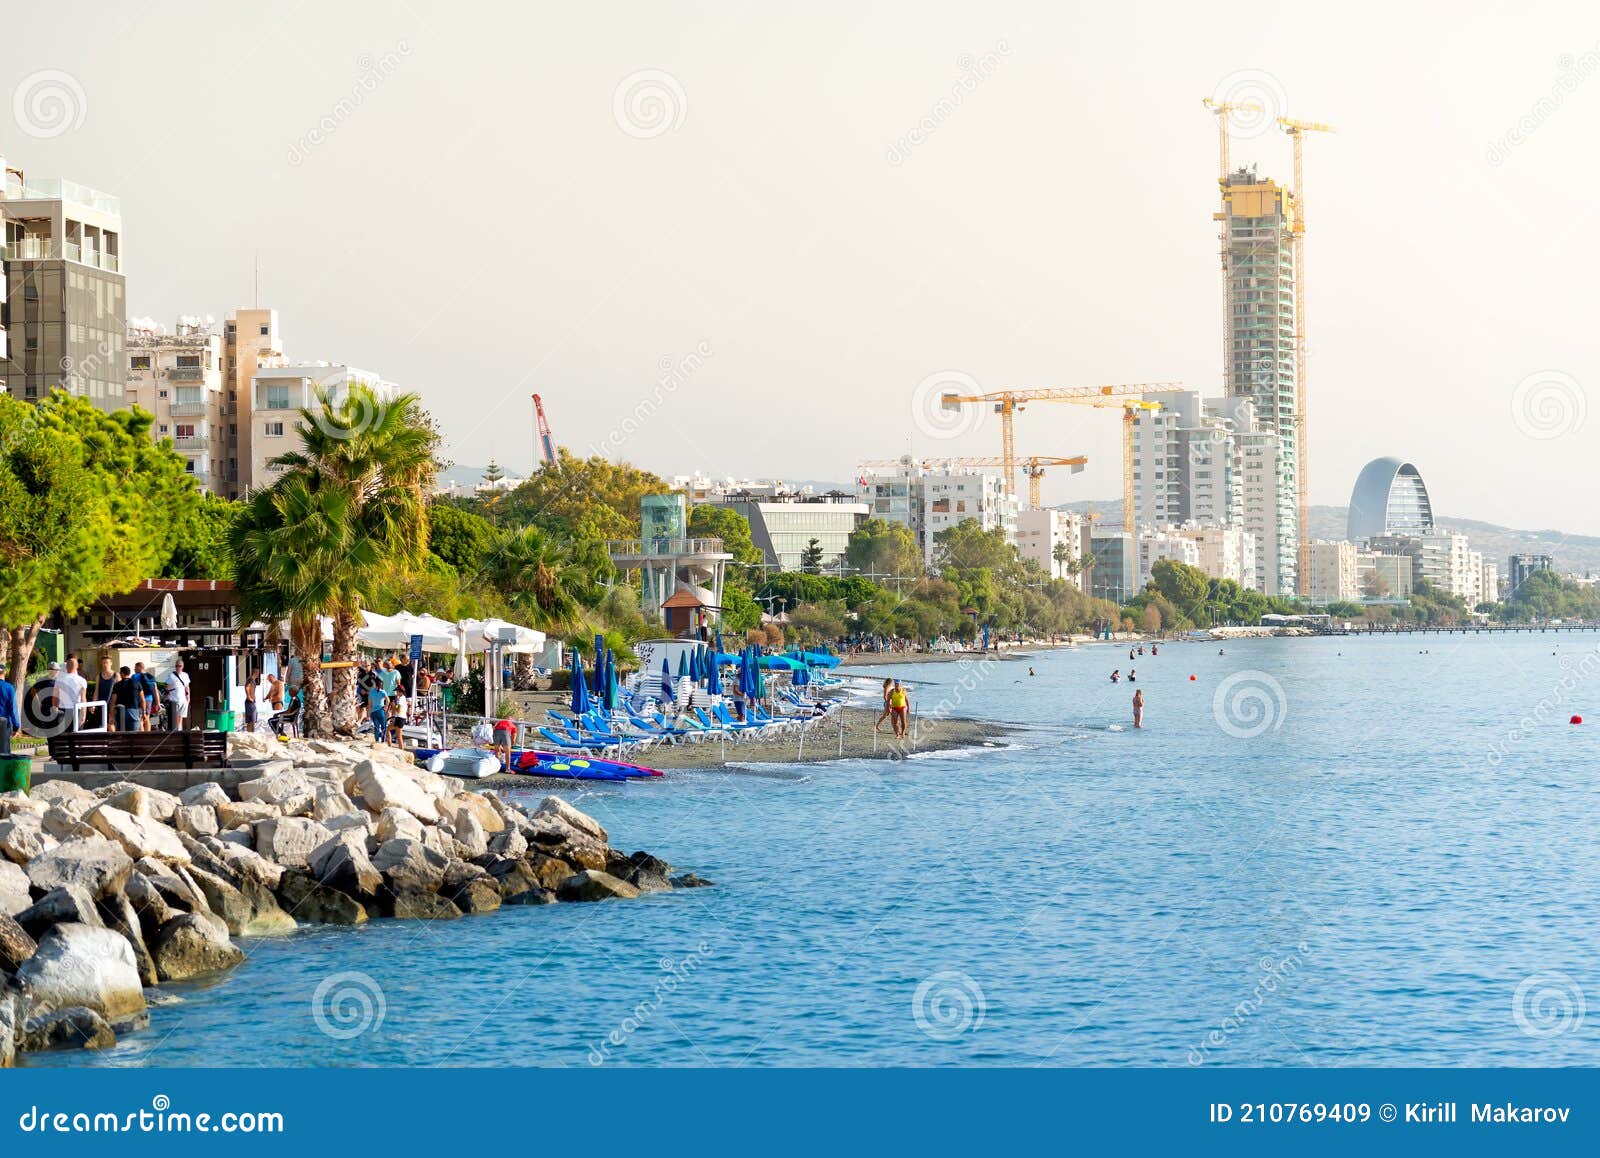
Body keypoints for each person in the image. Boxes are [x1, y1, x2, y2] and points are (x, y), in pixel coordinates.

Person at [57, 656, 89, 733]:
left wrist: (55, 709)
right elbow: (83, 699)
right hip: (76, 709)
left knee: (64, 735)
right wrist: (83, 714)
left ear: (66, 666)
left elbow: (55, 697)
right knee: (76, 734)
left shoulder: (59, 680)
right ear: (77, 666)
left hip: (63, 709)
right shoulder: (82, 681)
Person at [110, 666, 143, 733]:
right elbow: (142, 700)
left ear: (122, 673)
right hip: (134, 711)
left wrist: (112, 715)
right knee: (134, 734)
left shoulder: (117, 685)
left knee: (121, 734)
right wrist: (144, 712)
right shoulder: (137, 683)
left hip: (121, 711)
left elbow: (113, 701)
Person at [164, 659, 191, 731]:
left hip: (183, 699)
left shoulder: (185, 675)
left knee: (181, 716)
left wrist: (188, 697)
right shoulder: (172, 675)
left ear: (182, 666)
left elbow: (187, 687)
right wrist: (167, 697)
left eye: (179, 666)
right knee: (175, 716)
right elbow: (167, 687)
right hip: (174, 699)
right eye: (176, 666)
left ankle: (179, 729)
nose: (178, 667)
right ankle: (176, 730)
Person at [132, 661, 159, 732]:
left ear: (140, 667)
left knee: (140, 718)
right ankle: (148, 735)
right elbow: (155, 690)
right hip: (149, 699)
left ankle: (142, 736)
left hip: (139, 700)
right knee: (147, 718)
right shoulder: (151, 676)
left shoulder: (135, 676)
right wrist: (157, 702)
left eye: (135, 668)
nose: (134, 669)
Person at [93, 656, 116, 730]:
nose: (105, 665)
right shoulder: (98, 676)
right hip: (101, 705)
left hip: (112, 705)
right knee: (101, 725)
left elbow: (120, 691)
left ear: (111, 663)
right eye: (103, 663)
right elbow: (96, 691)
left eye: (106, 663)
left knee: (111, 724)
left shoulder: (116, 675)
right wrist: (93, 704)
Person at [365, 681, 388, 745]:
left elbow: (369, 705)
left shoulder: (371, 692)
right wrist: (386, 708)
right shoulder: (383, 692)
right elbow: (388, 700)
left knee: (376, 727)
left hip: (373, 712)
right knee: (383, 727)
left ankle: (377, 741)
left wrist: (368, 714)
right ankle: (383, 741)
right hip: (380, 711)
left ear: (375, 685)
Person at [0, 664, 17, 754]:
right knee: (4, 750)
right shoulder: (9, 688)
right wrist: (16, 726)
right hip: (4, 722)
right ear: (5, 672)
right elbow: (12, 708)